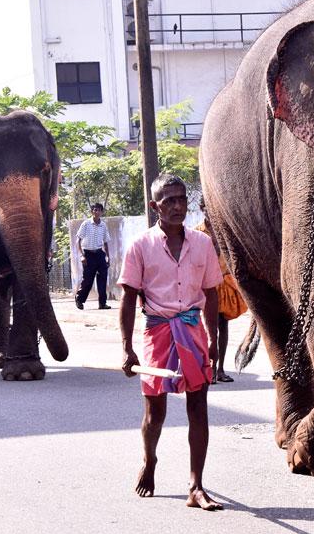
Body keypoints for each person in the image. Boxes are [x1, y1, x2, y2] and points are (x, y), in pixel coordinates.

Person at [118, 174, 224, 511]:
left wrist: (213, 338)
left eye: (181, 199)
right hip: (157, 333)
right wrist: (126, 347)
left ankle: (197, 485)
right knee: (155, 414)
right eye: (169, 201)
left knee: (198, 408)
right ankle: (149, 461)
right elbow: (128, 298)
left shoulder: (203, 244)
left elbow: (211, 293)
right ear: (155, 207)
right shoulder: (140, 246)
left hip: (192, 332)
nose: (178, 206)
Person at [196, 198, 248, 383]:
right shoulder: (196, 233)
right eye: (207, 208)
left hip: (225, 285)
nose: (211, 211)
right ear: (202, 209)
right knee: (208, 329)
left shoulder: (226, 231)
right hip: (204, 286)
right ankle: (207, 368)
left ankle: (220, 369)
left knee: (223, 326)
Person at [74, 202, 111, 310]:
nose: (97, 212)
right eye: (95, 210)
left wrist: (108, 256)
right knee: (88, 280)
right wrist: (82, 255)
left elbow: (106, 242)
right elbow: (78, 241)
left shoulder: (103, 225)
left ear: (101, 212)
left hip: (99, 254)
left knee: (102, 279)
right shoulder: (86, 224)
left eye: (99, 210)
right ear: (92, 211)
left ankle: (102, 303)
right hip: (88, 254)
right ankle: (79, 299)